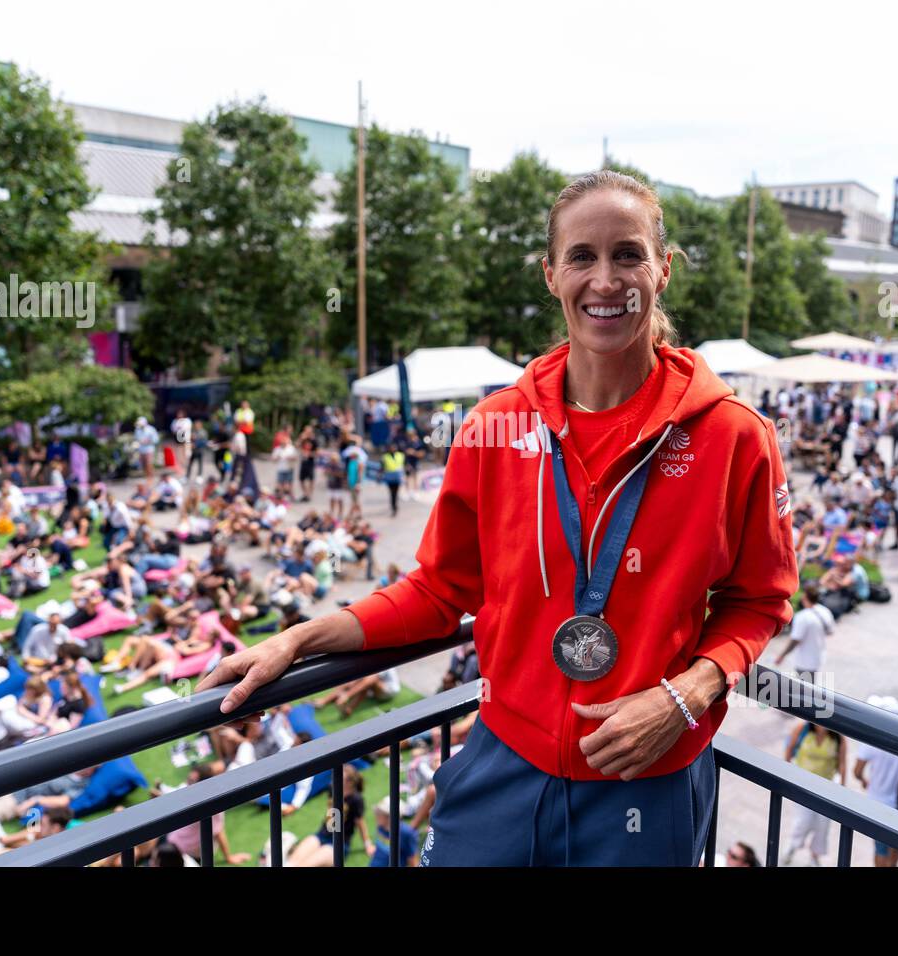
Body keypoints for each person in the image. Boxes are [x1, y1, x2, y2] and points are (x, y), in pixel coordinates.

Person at [200, 169, 798, 867]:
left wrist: (687, 696)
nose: (606, 278)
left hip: (650, 777)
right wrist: (303, 639)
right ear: (551, 275)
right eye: (582, 256)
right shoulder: (495, 426)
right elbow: (438, 589)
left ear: (662, 271)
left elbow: (760, 598)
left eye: (628, 254)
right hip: (504, 765)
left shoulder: (731, 435)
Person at [854, 695, 898, 867]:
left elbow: (856, 771)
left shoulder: (873, 740)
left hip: (878, 802)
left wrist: (864, 780)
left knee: (880, 849)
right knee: (897, 845)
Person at [781, 721, 847, 866]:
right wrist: (786, 773)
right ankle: (793, 845)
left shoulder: (837, 737)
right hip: (802, 785)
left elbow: (842, 763)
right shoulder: (802, 729)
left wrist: (842, 789)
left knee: (822, 824)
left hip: (826, 787)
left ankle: (814, 856)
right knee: (803, 821)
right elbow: (789, 748)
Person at [774, 584, 832, 683]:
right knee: (811, 685)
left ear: (805, 597)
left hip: (804, 660)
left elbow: (795, 640)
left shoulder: (802, 617)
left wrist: (782, 656)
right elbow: (830, 631)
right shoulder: (825, 611)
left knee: (804, 689)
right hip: (818, 655)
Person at [381, 444, 405, 517]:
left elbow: (404, 464)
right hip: (389, 477)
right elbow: (382, 467)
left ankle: (395, 506)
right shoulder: (385, 457)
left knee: (396, 493)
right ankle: (393, 506)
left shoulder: (401, 455)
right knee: (392, 493)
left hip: (397, 477)